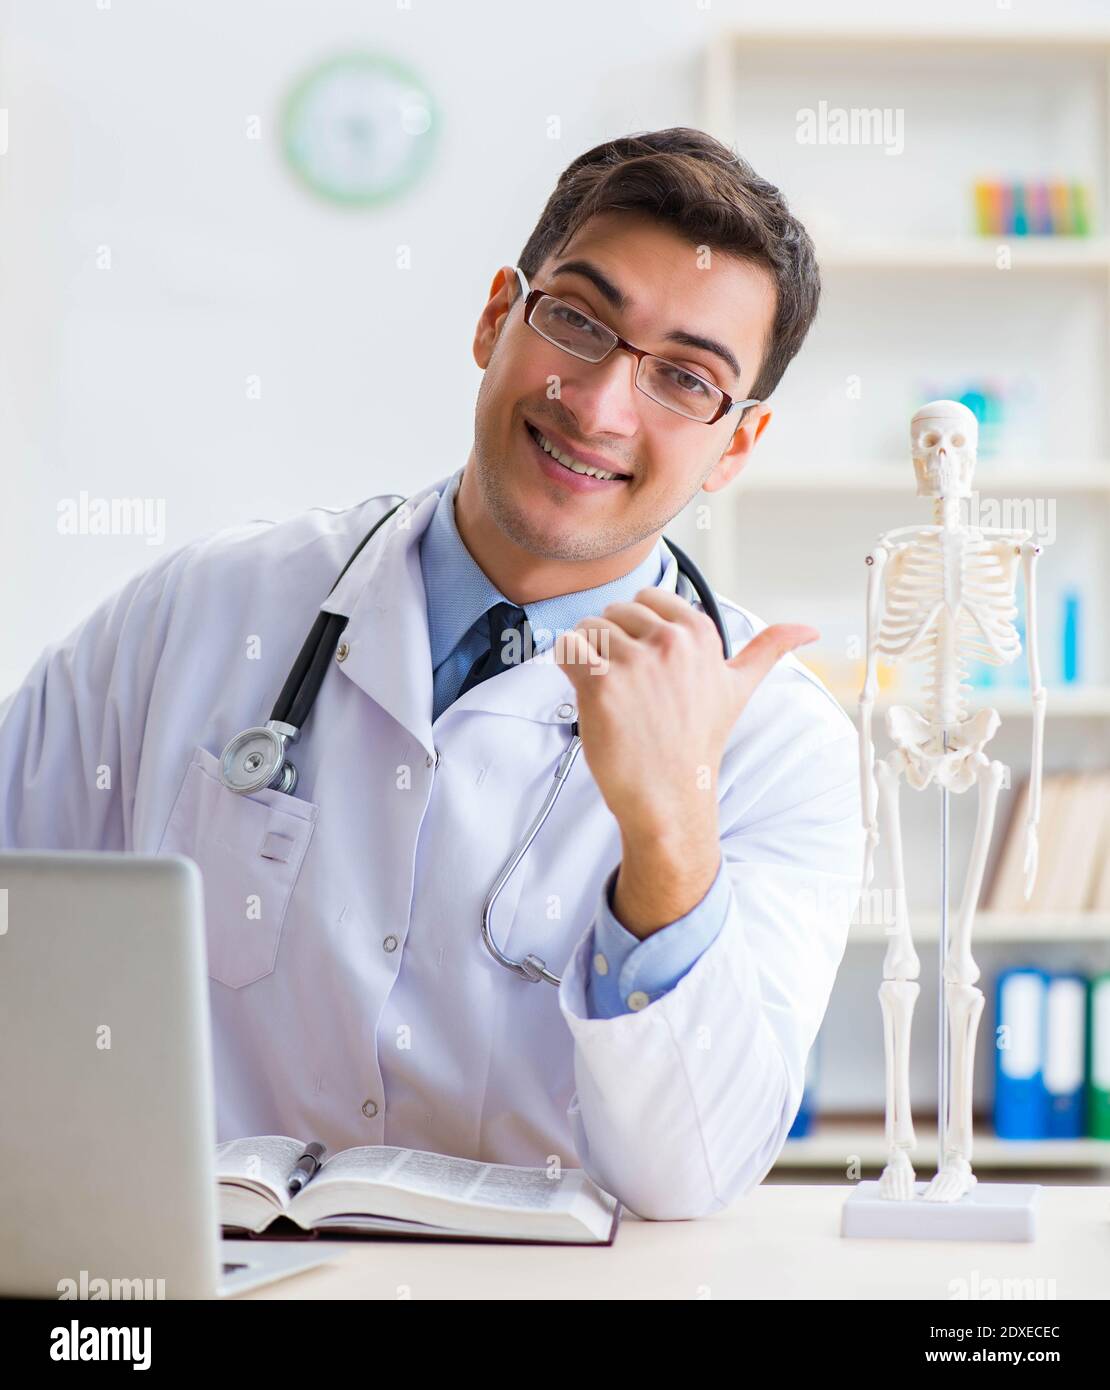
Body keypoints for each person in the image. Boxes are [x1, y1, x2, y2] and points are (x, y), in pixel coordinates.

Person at [0, 127, 862, 1220]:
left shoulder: (780, 742)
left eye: (686, 379)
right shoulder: (205, 609)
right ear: (498, 317)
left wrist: (670, 831)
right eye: (578, 321)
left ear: (737, 446)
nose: (598, 406)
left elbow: (694, 1173)